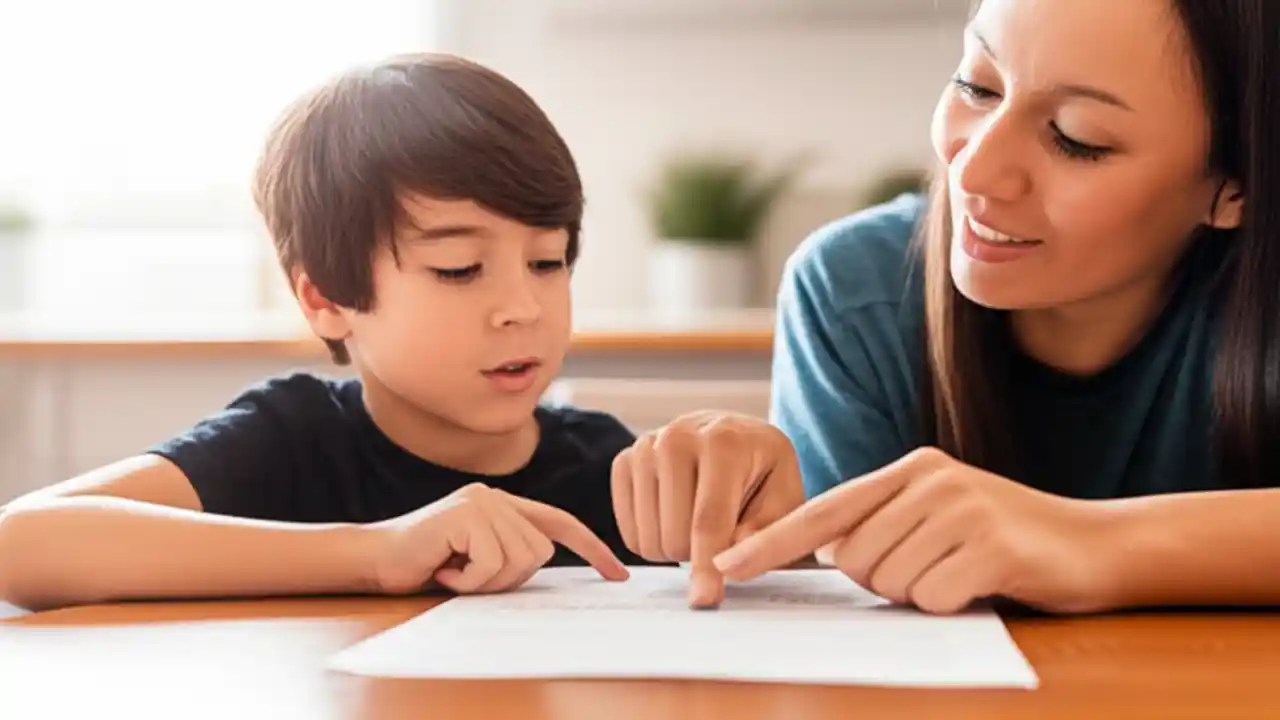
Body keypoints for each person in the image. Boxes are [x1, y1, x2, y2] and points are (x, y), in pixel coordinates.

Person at [0, 54, 796, 612]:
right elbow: (22, 544)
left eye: (548, 261)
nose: (522, 306)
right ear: (324, 298)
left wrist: (765, 506)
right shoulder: (293, 439)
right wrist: (379, 553)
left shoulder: (605, 466)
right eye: (458, 269)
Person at [632, 0, 1280, 615]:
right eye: (978, 86)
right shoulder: (857, 292)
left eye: (1076, 139)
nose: (974, 172)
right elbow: (842, 613)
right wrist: (763, 520)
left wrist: (1088, 544)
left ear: (1235, 189)